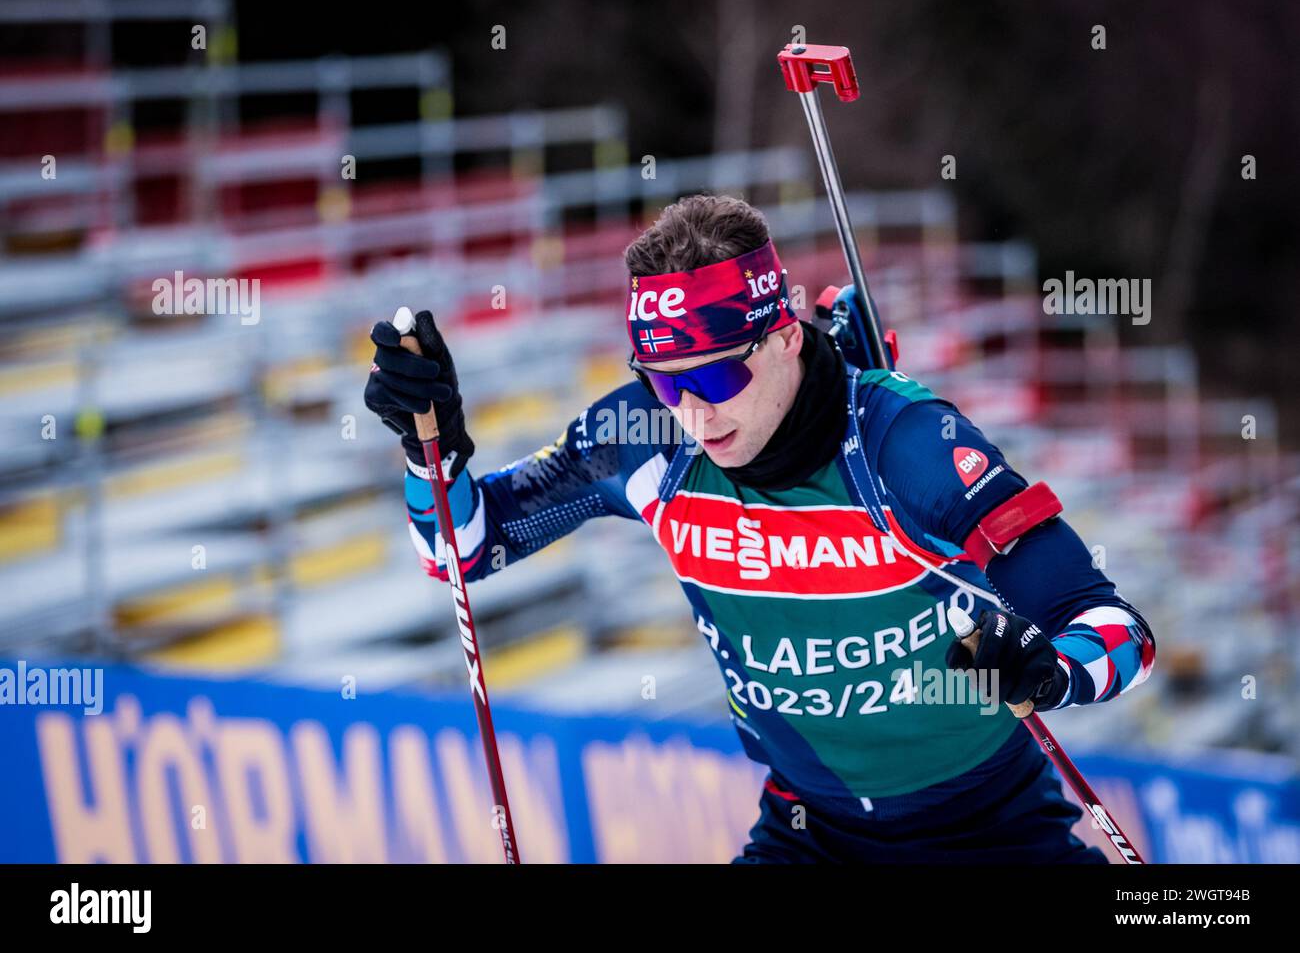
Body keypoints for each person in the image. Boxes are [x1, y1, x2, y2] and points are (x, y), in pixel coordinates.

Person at [364, 194, 1156, 863]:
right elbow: (456, 550)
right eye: (665, 381)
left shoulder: (901, 444)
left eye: (715, 375)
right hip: (810, 834)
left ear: (783, 337)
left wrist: (1050, 669)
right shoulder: (645, 437)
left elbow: (1116, 627)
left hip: (991, 829)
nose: (697, 411)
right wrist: (428, 447)